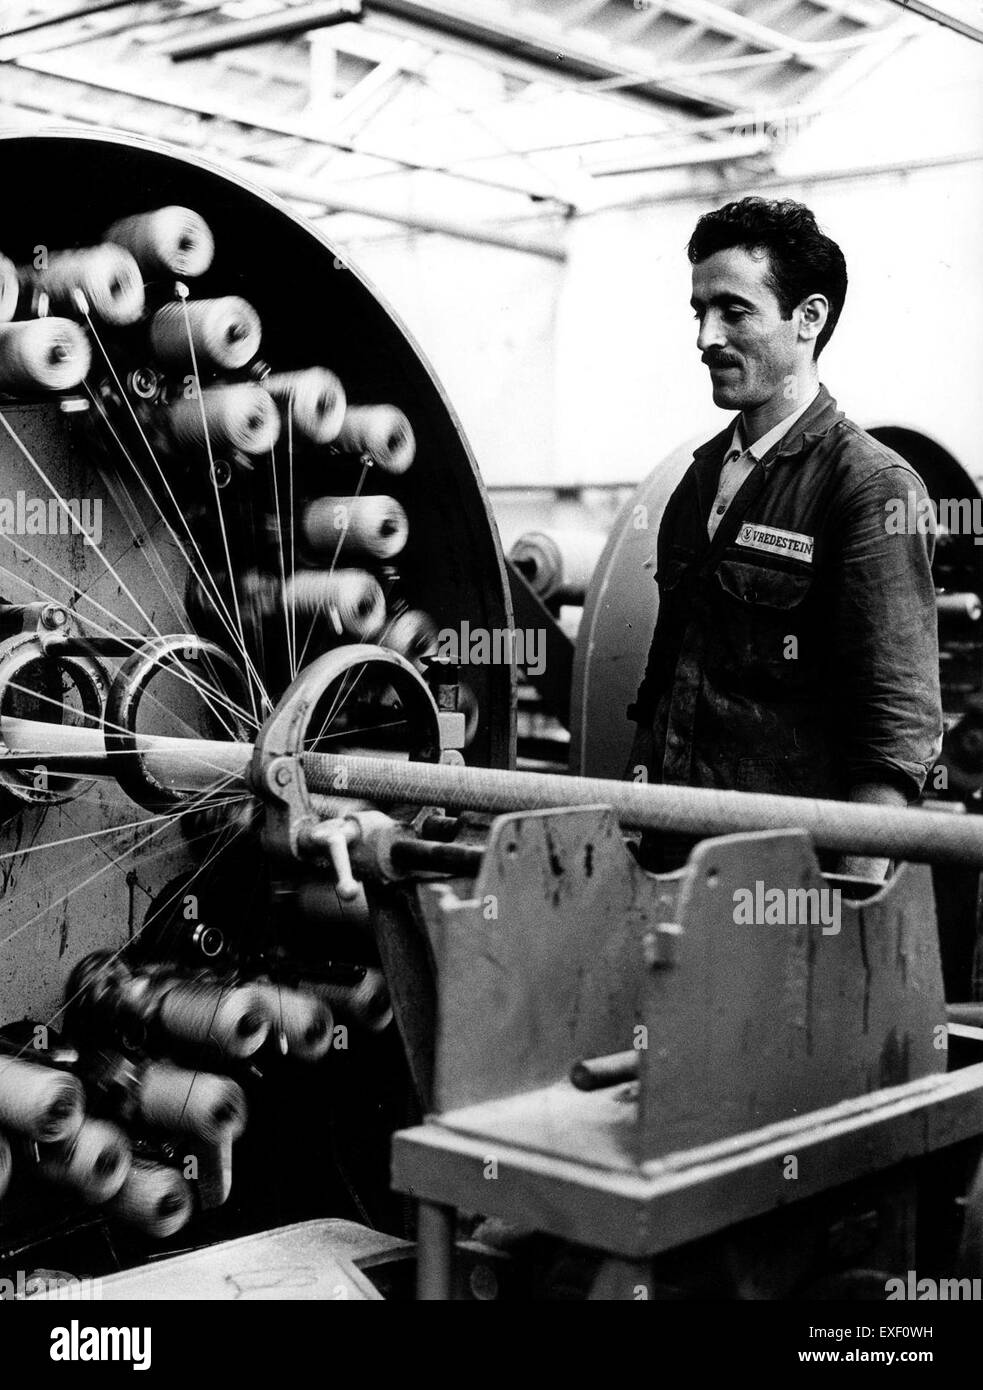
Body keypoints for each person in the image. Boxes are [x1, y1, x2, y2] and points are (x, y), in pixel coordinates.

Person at [626, 197, 942, 880]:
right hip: (671, 857)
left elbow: (894, 729)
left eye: (733, 311)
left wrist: (850, 899)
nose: (706, 336)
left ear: (809, 318)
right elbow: (665, 690)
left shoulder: (870, 488)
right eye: (698, 312)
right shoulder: (698, 480)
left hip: (785, 878)